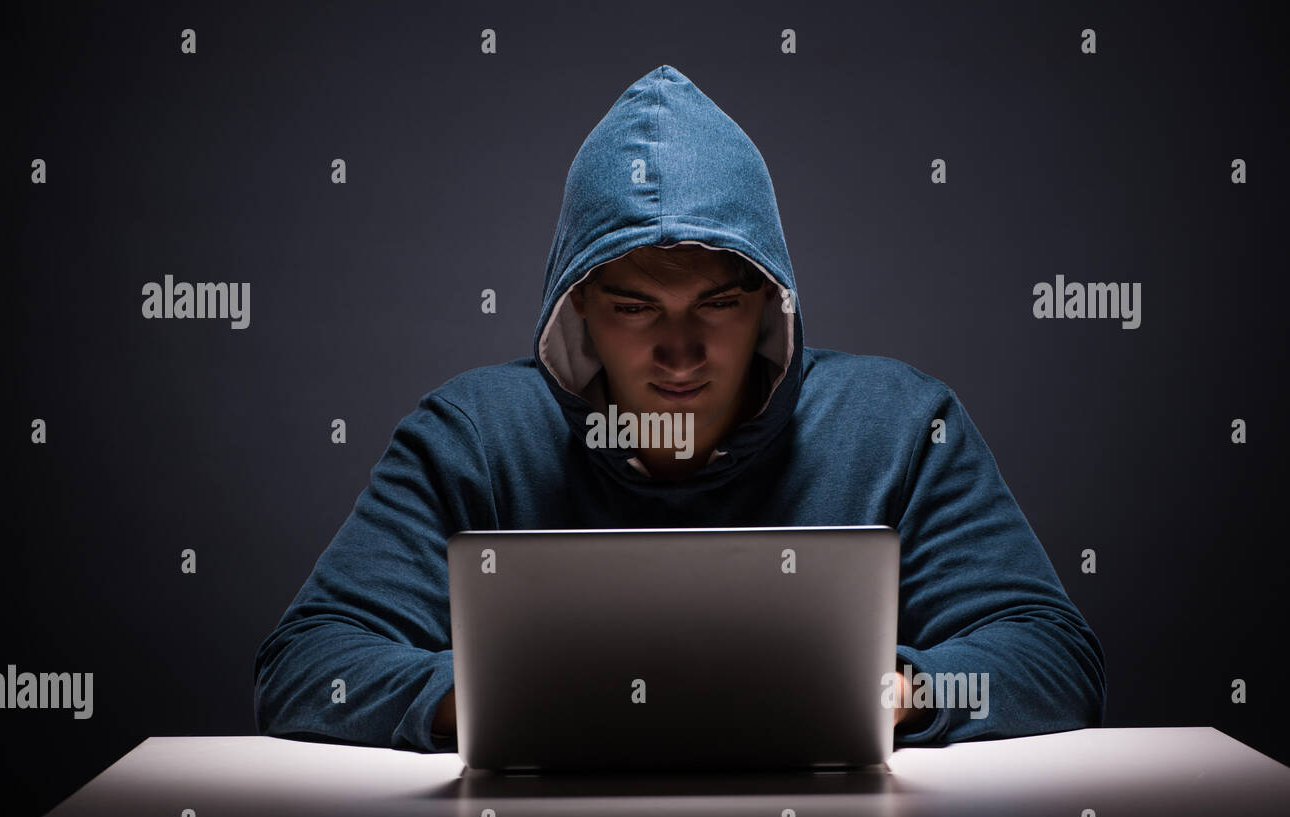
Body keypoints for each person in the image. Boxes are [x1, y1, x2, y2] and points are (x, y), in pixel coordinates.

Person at [253, 64, 1106, 754]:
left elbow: (1052, 655)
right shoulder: (471, 438)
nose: (681, 352)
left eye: (717, 304)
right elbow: (306, 663)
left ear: (769, 303)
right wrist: (479, 698)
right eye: (635, 309)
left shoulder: (900, 425)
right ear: (579, 305)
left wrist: (899, 690)